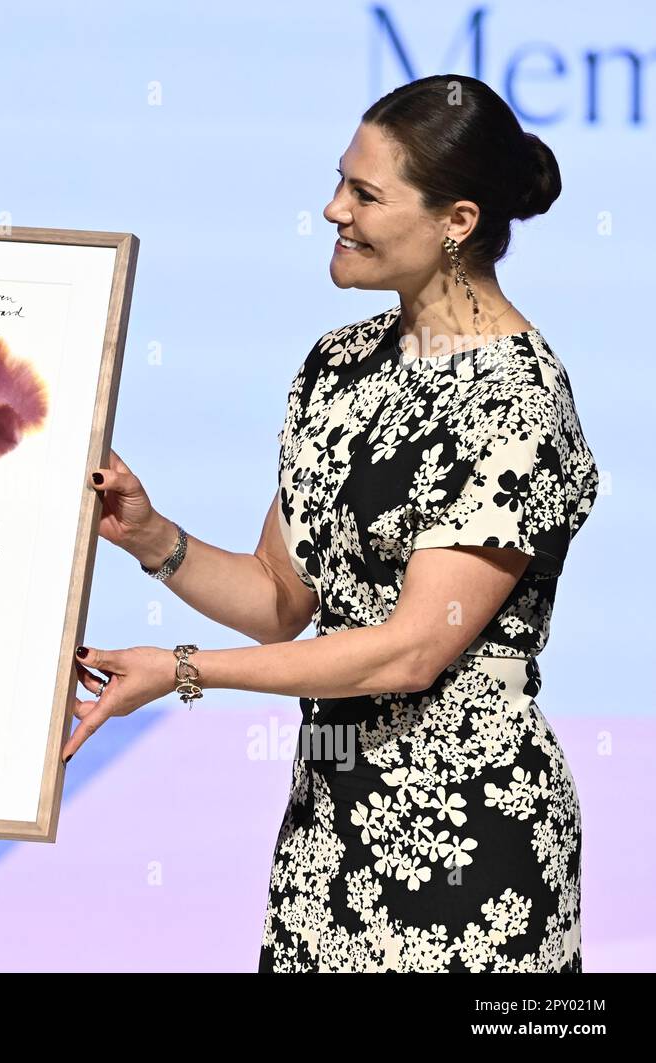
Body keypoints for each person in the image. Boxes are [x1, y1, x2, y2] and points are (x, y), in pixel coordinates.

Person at [62, 74, 600, 973]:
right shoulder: (337, 364)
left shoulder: (519, 400)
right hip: (326, 830)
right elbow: (281, 597)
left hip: (471, 843)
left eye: (364, 193)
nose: (331, 209)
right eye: (338, 181)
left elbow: (410, 651)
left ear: (456, 221)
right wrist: (154, 536)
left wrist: (183, 670)